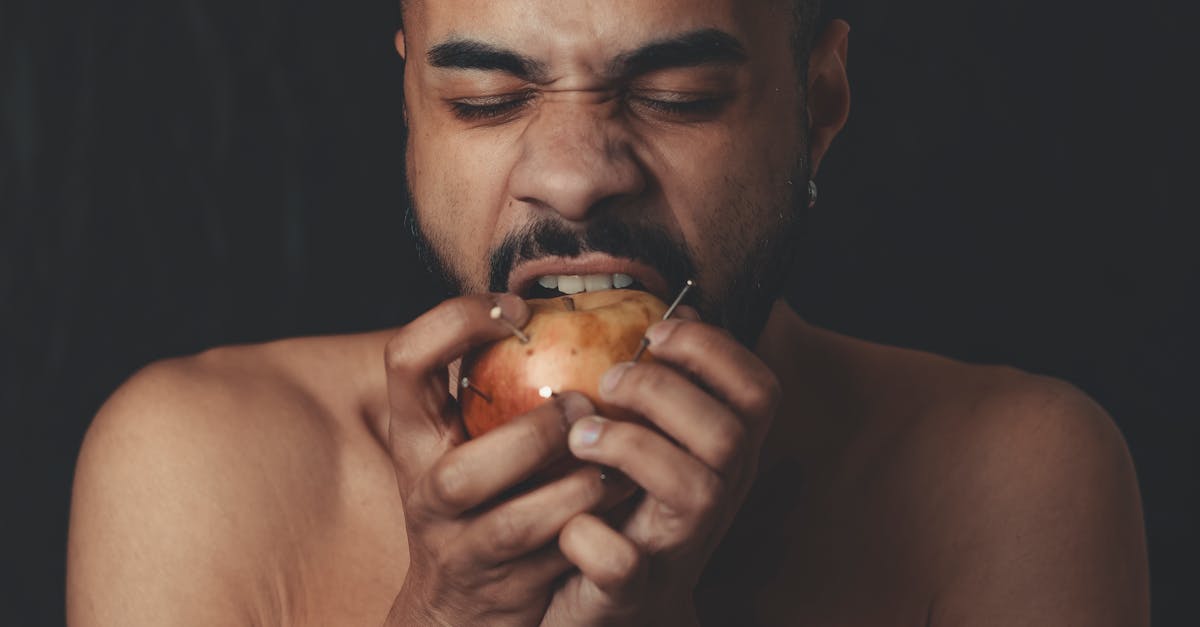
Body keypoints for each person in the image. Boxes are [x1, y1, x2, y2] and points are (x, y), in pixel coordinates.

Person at [66, 0, 1150, 624]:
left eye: (678, 97)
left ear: (819, 104)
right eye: (486, 101)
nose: (576, 176)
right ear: (409, 110)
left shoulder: (1012, 478)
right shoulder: (199, 464)